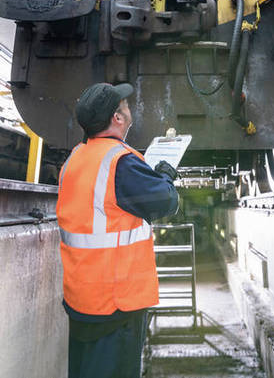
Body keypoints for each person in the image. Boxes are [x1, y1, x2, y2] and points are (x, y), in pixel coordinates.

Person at [56, 82, 179, 378]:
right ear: (117, 118)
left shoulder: (76, 158)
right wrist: (164, 174)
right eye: (125, 105)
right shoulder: (119, 162)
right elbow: (166, 202)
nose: (128, 108)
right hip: (116, 305)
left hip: (82, 299)